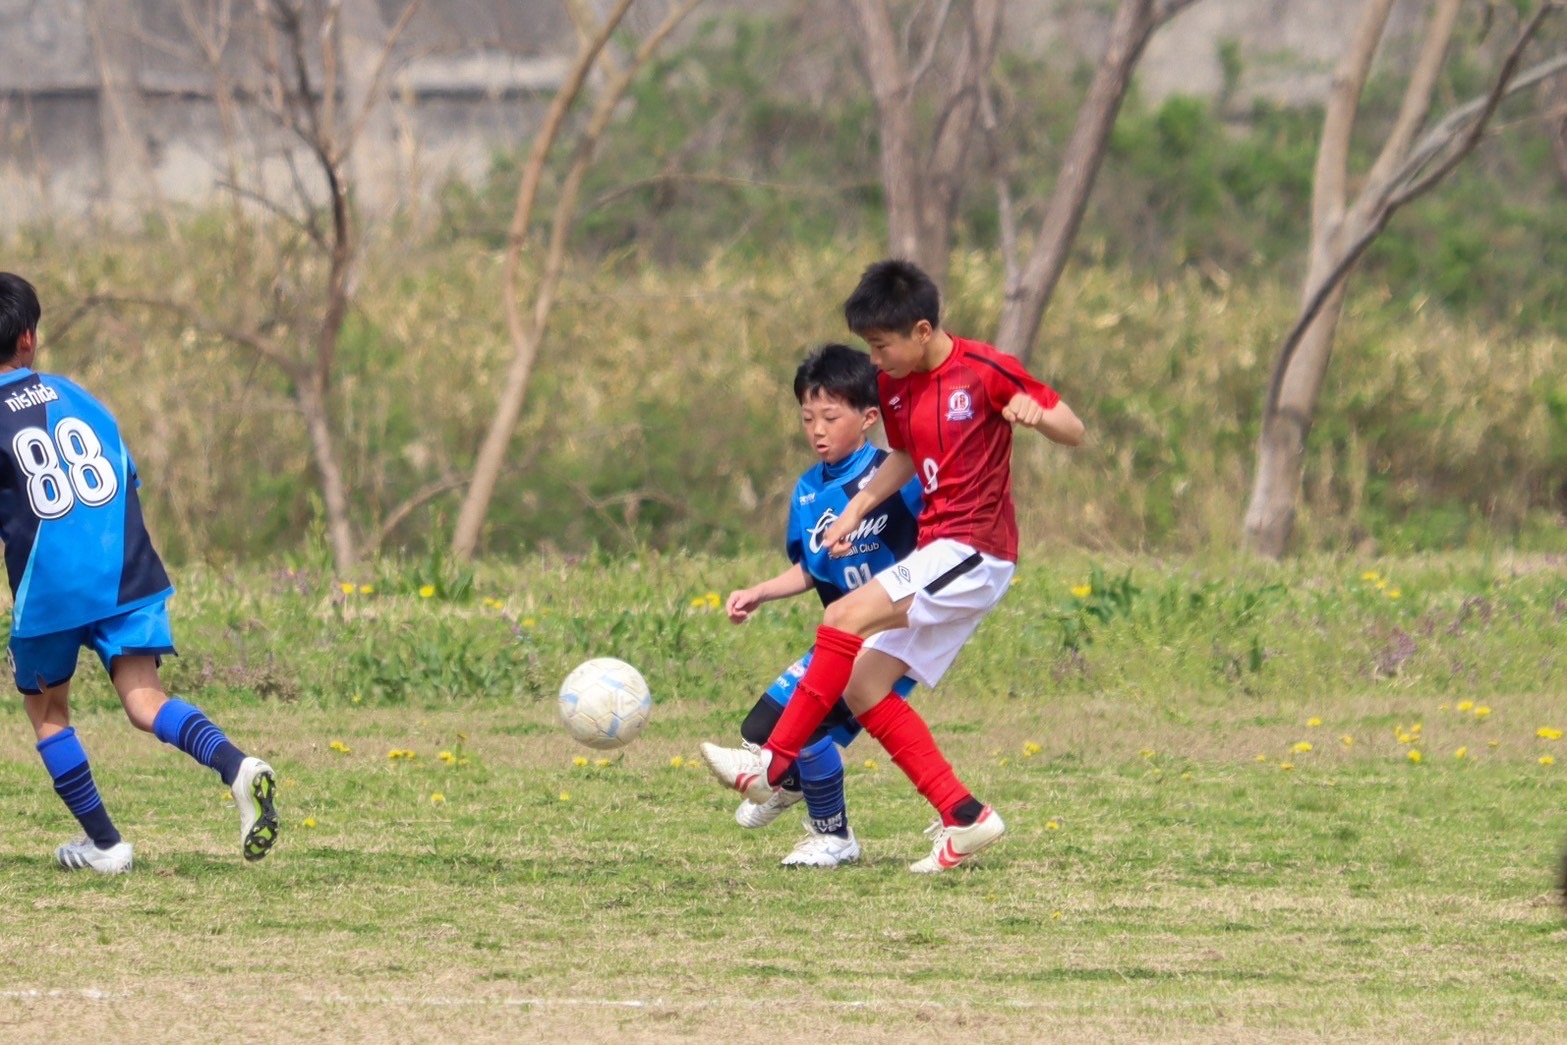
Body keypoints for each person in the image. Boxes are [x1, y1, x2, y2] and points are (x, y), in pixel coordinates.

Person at [703, 259, 1084, 873]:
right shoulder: (898, 385)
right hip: (944, 549)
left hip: (974, 548)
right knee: (863, 684)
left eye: (882, 346)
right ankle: (965, 818)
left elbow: (1075, 428)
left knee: (847, 617)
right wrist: (858, 505)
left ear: (924, 330)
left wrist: (1039, 419)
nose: (874, 361)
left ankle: (771, 766)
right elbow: (905, 454)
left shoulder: (984, 370)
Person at [0, 272, 279, 874]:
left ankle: (105, 845)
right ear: (28, 338)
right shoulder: (79, 396)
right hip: (126, 574)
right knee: (145, 700)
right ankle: (237, 767)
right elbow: (125, 479)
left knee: (49, 714)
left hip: (50, 591)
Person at [725, 343, 923, 867]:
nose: (817, 429)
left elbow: (940, 542)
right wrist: (761, 591)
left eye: (830, 417)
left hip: (887, 636)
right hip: (838, 638)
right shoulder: (809, 490)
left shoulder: (893, 475)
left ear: (869, 418)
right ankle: (791, 781)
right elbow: (812, 570)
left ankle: (832, 836)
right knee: (758, 731)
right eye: (808, 417)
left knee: (806, 726)